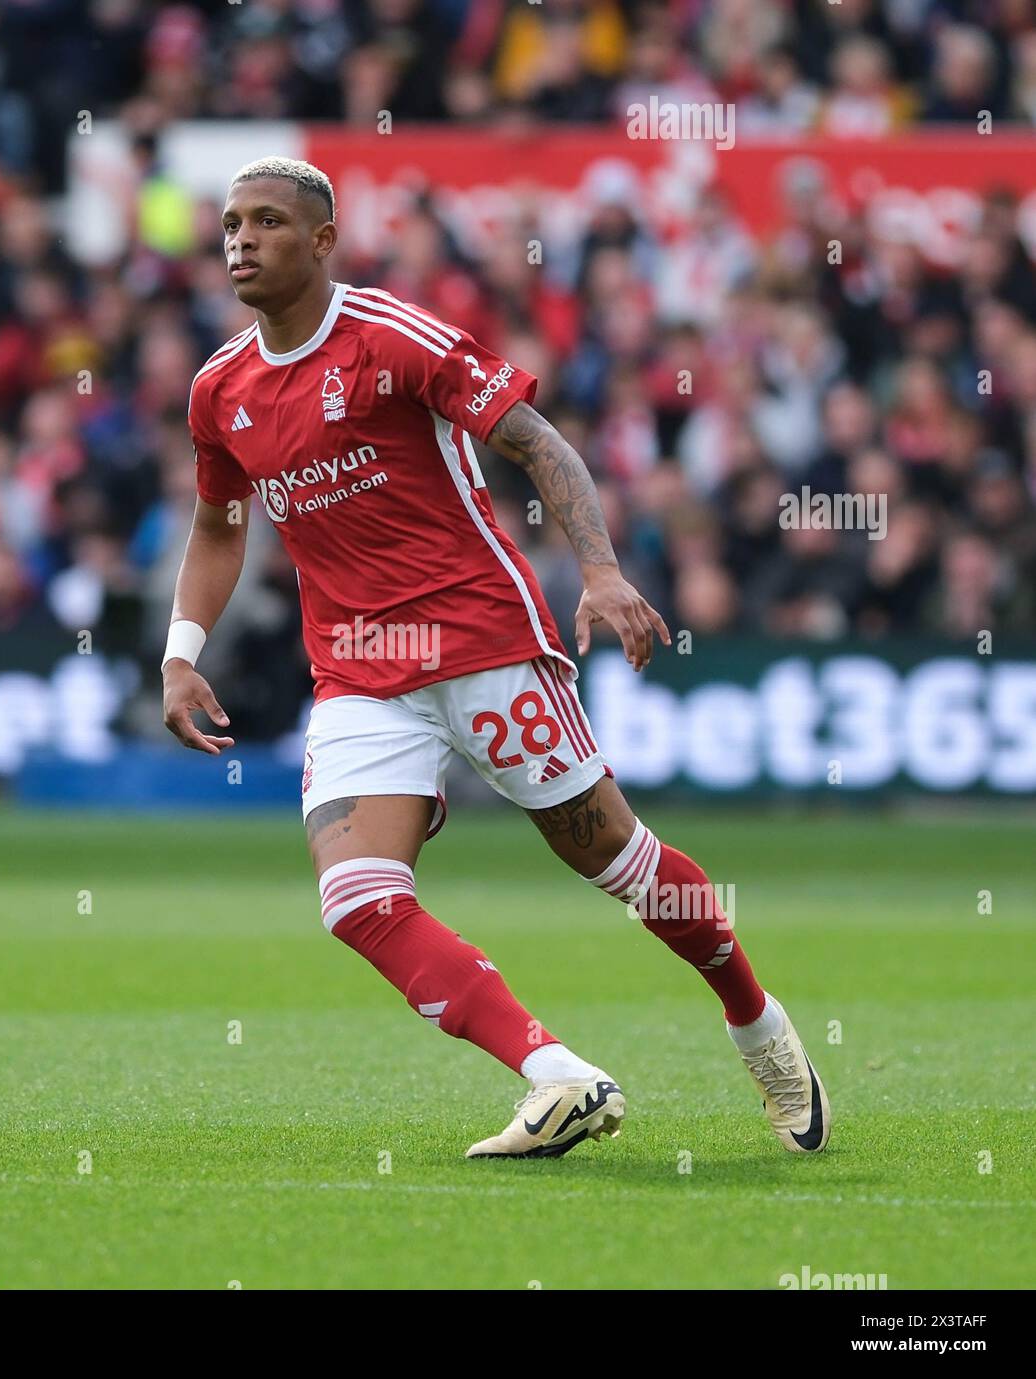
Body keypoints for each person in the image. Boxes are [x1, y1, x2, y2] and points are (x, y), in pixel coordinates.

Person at [162, 157, 830, 1159]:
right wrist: (181, 650)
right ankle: (556, 1074)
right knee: (355, 900)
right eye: (230, 223)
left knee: (618, 860)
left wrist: (599, 574)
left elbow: (539, 443)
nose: (241, 240)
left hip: (479, 641)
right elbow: (219, 527)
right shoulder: (221, 389)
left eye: (266, 222)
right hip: (355, 671)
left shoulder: (393, 338)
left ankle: (757, 1023)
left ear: (322, 241)